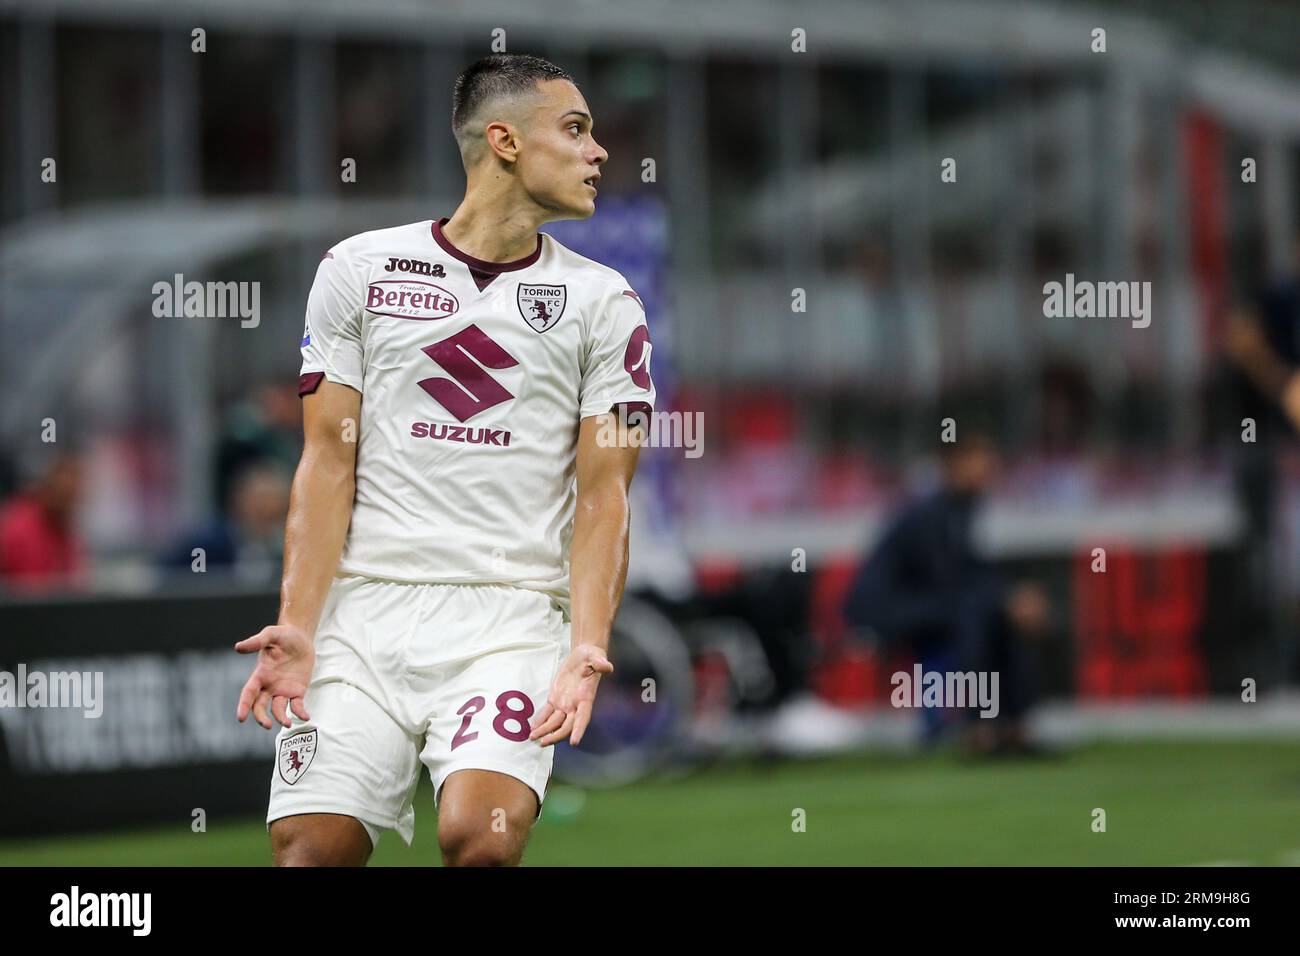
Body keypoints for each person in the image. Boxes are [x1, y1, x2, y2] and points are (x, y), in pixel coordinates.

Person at [235, 53, 655, 866]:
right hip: (364, 611)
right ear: (505, 141)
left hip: (510, 618)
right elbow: (326, 462)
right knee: (309, 851)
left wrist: (586, 644)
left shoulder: (606, 302)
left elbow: (606, 494)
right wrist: (299, 624)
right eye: (575, 129)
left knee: (478, 839)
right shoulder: (357, 269)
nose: (598, 151)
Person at [843, 434, 1049, 755]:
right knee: (976, 615)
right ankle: (977, 726)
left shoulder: (961, 510)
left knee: (996, 617)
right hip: (884, 610)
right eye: (978, 460)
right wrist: (1006, 599)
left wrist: (1011, 598)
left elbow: (970, 572)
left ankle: (1012, 725)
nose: (987, 469)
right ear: (953, 465)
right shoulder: (930, 513)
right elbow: (950, 581)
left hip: (924, 604)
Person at [161, 462, 290, 584]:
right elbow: (170, 579)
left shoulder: (284, 550)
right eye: (261, 501)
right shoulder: (205, 546)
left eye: (276, 504)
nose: (268, 508)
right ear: (239, 499)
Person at [0, 449, 86, 593]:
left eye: (72, 498)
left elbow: (76, 582)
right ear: (47, 488)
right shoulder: (18, 528)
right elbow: (28, 592)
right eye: (62, 494)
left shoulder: (66, 531)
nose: (68, 505)